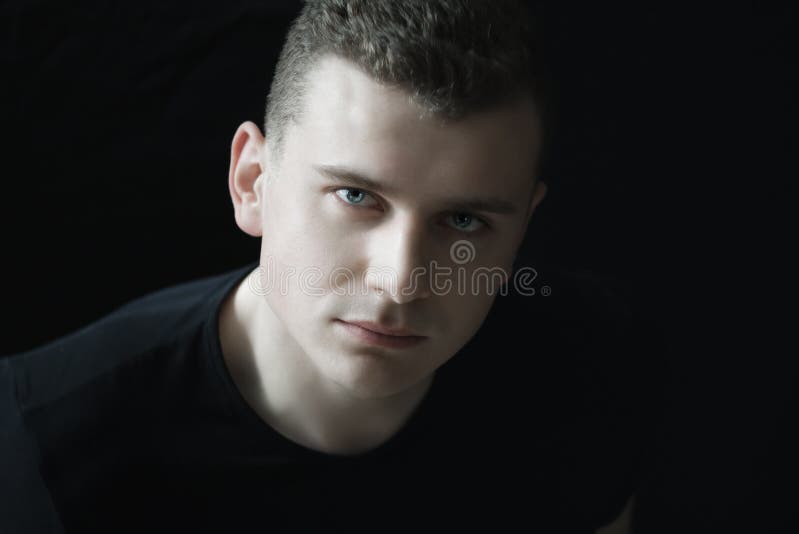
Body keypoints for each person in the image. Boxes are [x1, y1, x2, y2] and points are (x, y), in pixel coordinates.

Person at [1, 1, 645, 532]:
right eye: (356, 197)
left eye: (464, 221)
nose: (401, 281)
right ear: (252, 182)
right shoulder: (42, 445)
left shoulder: (584, 361)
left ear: (524, 229)